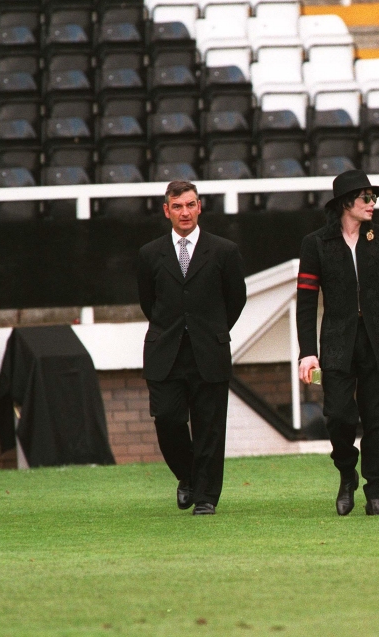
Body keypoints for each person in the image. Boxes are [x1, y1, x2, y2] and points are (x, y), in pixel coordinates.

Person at [296, 170, 379, 517]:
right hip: (335, 343)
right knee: (339, 416)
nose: (372, 204)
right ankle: (347, 474)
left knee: (377, 419)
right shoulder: (316, 243)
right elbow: (306, 302)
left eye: (373, 198)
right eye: (365, 198)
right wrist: (307, 353)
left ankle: (374, 490)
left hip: (378, 341)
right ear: (346, 203)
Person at [137, 180, 247, 515]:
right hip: (165, 353)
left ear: (199, 206)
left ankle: (205, 498)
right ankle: (187, 476)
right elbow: (148, 302)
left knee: (209, 428)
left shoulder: (224, 251)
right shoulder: (149, 254)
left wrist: (211, 331)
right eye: (178, 206)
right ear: (166, 210)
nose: (185, 212)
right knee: (168, 421)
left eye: (191, 204)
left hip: (209, 351)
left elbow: (236, 300)